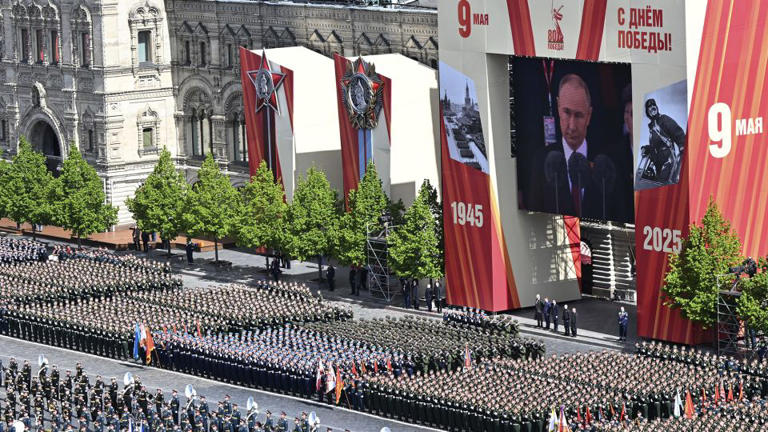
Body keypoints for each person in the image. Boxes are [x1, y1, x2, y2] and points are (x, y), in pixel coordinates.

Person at [538, 73, 631, 221]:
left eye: (579, 115)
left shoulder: (609, 164)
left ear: (589, 115)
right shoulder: (540, 163)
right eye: (566, 112)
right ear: (558, 106)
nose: (572, 126)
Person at [639, 98, 686, 185]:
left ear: (656, 107)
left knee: (663, 184)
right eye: (649, 107)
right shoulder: (652, 127)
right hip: (658, 164)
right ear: (647, 112)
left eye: (653, 105)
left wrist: (682, 144)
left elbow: (677, 132)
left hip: (668, 160)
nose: (652, 107)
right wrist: (646, 148)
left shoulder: (664, 119)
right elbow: (655, 146)